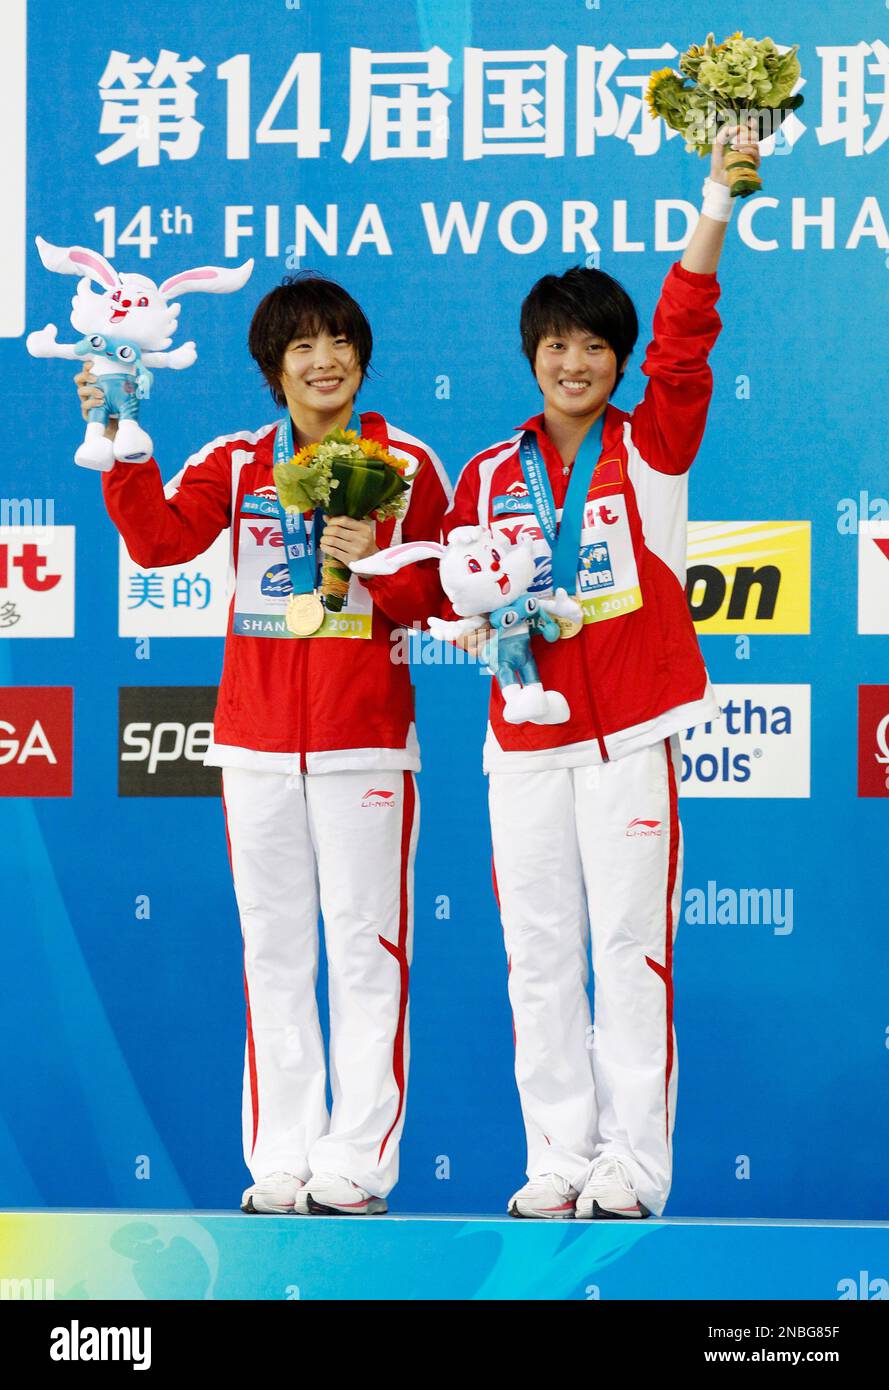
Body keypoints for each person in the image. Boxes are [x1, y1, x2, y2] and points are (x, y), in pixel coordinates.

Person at [76, 274, 452, 1215]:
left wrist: (372, 556)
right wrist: (122, 438)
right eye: (301, 348)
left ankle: (358, 1160)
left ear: (362, 358)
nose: (323, 363)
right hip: (252, 746)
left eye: (339, 344)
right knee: (274, 954)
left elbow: (445, 595)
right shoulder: (237, 460)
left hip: (364, 744)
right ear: (273, 370)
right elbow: (158, 544)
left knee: (366, 953)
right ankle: (281, 1156)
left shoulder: (405, 461)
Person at [443, 124, 761, 1219]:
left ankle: (634, 1164)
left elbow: (686, 337)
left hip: (629, 737)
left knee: (628, 952)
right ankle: (558, 1159)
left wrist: (715, 196)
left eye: (594, 348)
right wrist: (445, 615)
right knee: (538, 956)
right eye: (556, 348)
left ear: (616, 361)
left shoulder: (653, 446)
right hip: (523, 742)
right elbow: (450, 589)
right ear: (530, 356)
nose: (575, 364)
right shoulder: (488, 472)